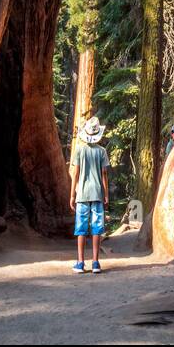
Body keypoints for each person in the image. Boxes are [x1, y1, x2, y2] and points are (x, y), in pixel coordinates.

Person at [70, 116, 110, 274]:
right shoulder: (102, 151)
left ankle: (80, 263)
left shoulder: (79, 149)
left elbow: (76, 173)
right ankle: (95, 263)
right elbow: (104, 173)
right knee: (96, 229)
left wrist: (72, 195)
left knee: (81, 229)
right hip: (98, 194)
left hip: (82, 194)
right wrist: (106, 194)